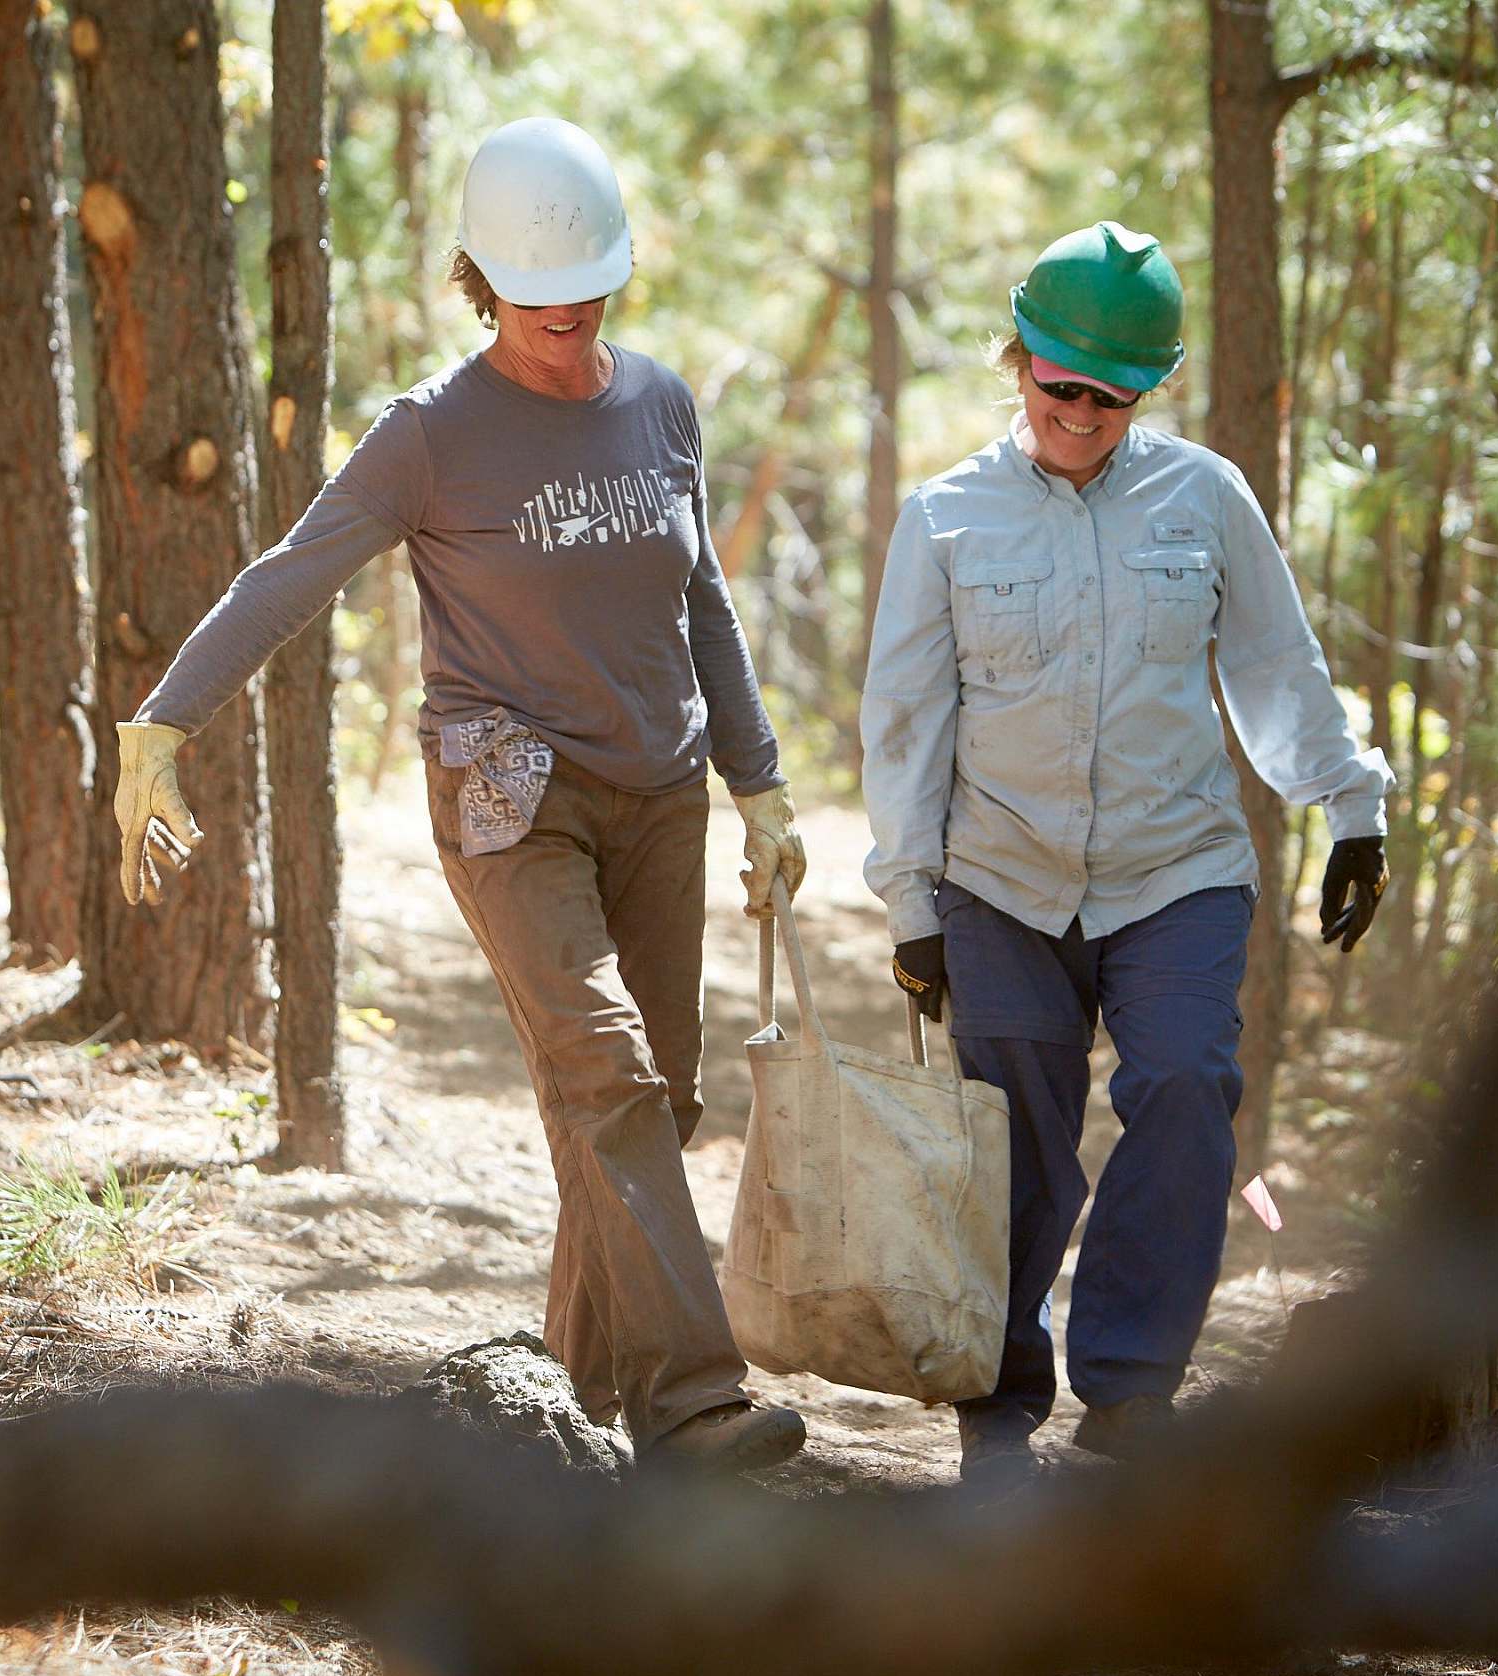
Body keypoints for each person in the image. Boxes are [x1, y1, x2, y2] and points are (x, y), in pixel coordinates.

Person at [112, 117, 809, 1472]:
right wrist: (162, 722)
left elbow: (703, 603)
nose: (569, 328)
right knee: (603, 1064)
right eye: (540, 308)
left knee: (652, 1102)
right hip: (510, 792)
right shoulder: (431, 434)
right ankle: (695, 1402)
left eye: (590, 300)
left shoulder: (662, 403)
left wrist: (761, 785)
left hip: (660, 791)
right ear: (482, 283)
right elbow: (289, 574)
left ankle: (572, 1418)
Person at [858, 220, 1394, 1487]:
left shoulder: (1203, 497)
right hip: (999, 878)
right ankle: (998, 1402)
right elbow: (904, 717)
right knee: (1020, 1134)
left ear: (1149, 388)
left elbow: (1272, 668)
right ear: (1019, 362)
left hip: (1176, 871)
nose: (1085, 413)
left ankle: (1130, 1389)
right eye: (1061, 386)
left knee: (1185, 1087)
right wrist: (909, 900)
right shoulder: (943, 519)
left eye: (1116, 393)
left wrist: (1349, 804)